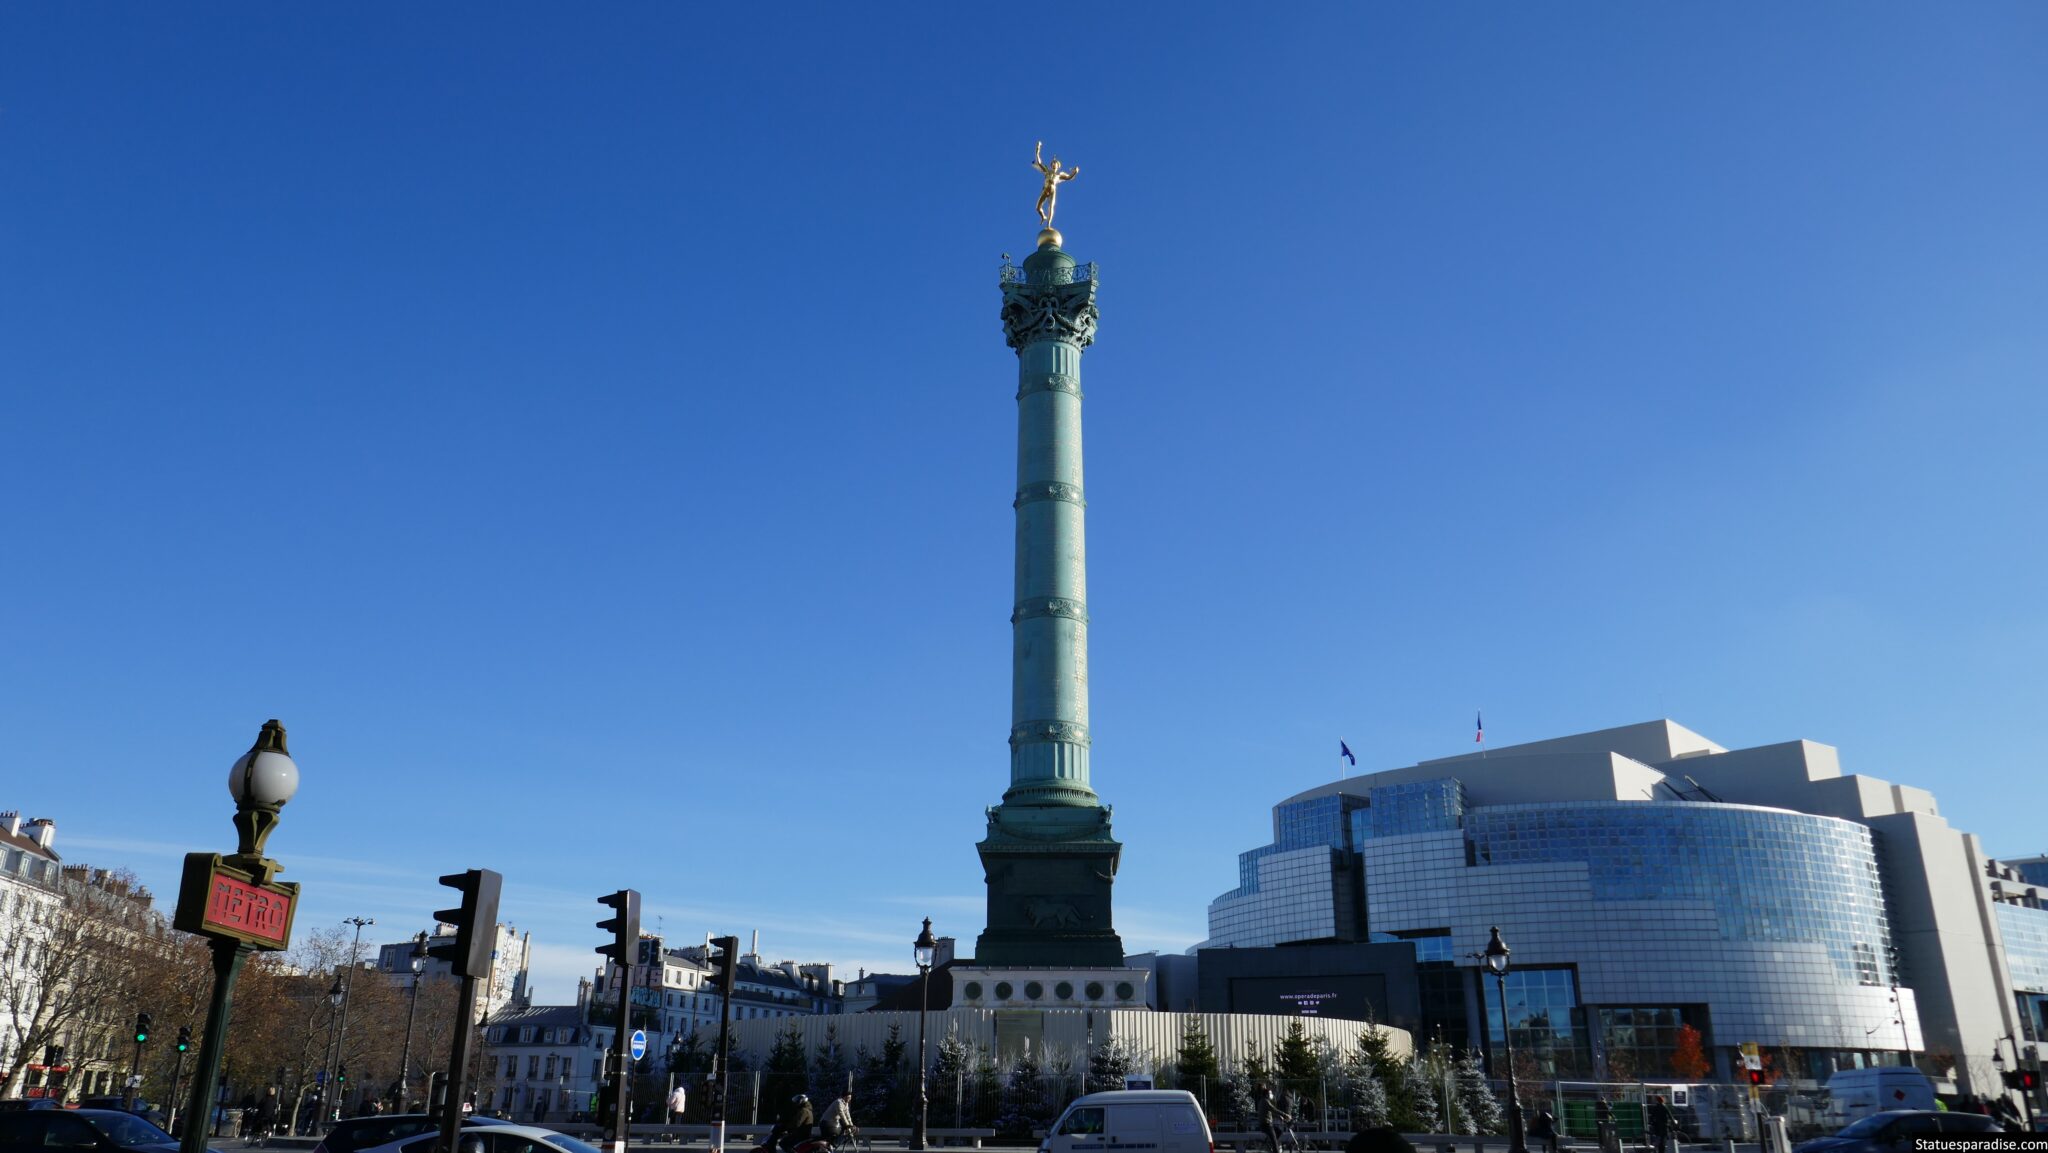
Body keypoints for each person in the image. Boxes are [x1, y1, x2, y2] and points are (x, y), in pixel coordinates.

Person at [1254, 1082, 1294, 1153]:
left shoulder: (1263, 1100)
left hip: (1266, 1123)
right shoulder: (1266, 1101)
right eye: (1270, 1094)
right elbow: (1274, 1109)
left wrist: (1279, 1116)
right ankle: (1275, 1148)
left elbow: (1270, 1112)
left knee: (1279, 1131)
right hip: (1266, 1124)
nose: (1271, 1095)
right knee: (1275, 1142)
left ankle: (1270, 1144)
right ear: (1267, 1094)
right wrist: (1285, 1115)